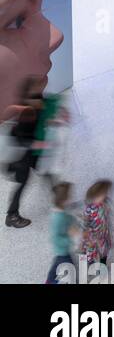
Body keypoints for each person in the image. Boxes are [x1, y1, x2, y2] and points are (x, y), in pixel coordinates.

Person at [4, 77, 46, 228]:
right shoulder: (26, 112)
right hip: (21, 157)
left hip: (29, 153)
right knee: (22, 182)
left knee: (46, 170)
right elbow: (20, 138)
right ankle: (12, 215)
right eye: (34, 95)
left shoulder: (37, 103)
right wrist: (37, 143)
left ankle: (58, 197)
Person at [46, 181, 80, 284]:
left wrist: (75, 219)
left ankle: (50, 280)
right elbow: (55, 238)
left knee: (57, 264)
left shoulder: (58, 211)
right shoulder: (59, 218)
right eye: (70, 196)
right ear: (65, 200)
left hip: (60, 251)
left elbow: (67, 217)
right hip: (62, 250)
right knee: (70, 268)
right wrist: (71, 237)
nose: (71, 198)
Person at [77, 180, 113, 274]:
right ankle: (92, 266)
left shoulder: (104, 202)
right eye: (103, 194)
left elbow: (104, 215)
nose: (106, 195)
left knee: (104, 252)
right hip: (92, 237)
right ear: (95, 196)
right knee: (92, 254)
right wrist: (86, 237)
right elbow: (84, 223)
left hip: (103, 233)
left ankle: (102, 267)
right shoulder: (89, 209)